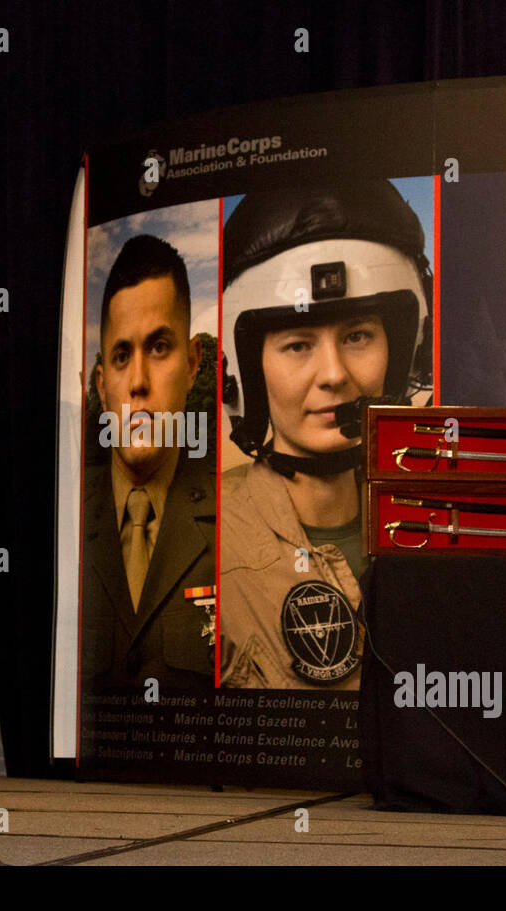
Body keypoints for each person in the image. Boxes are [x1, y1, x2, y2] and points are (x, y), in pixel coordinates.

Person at [218, 184, 433, 690]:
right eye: (297, 345)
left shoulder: (442, 519)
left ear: (403, 351)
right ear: (247, 371)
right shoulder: (211, 543)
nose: (334, 374)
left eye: (358, 335)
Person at [82, 235, 215, 695]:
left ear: (194, 362)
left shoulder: (237, 516)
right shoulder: (65, 523)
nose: (137, 383)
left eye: (159, 348)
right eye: (121, 357)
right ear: (103, 386)